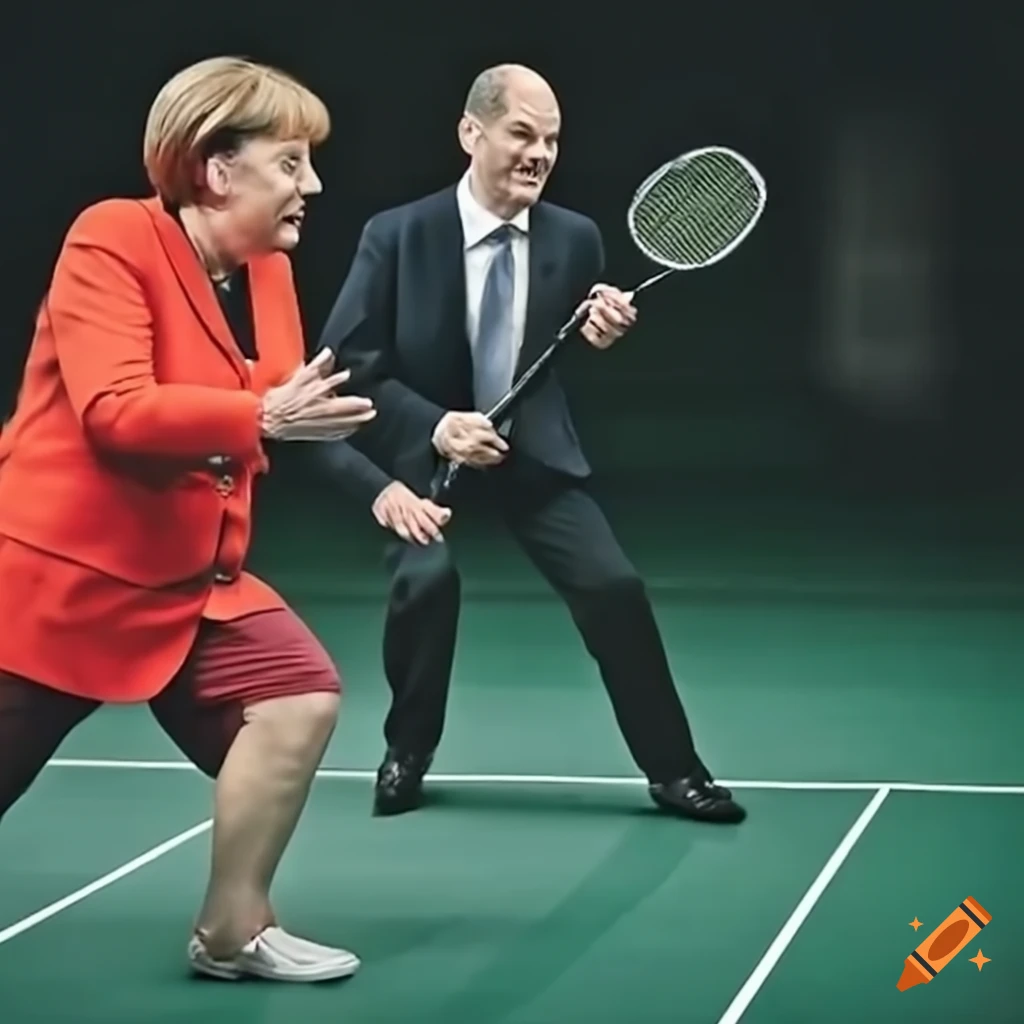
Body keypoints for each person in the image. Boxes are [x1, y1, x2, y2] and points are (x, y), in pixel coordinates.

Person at [0, 56, 376, 982]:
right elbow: (117, 410)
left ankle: (232, 931)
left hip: (188, 579)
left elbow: (277, 394)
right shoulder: (112, 236)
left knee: (297, 695)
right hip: (60, 581)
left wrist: (271, 411)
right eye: (290, 163)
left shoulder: (266, 271)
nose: (311, 185)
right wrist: (258, 414)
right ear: (217, 169)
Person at [317, 63, 746, 825]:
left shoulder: (575, 238)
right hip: (430, 458)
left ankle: (675, 771)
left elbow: (567, 336)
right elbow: (350, 371)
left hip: (529, 456)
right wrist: (436, 426)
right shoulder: (397, 236)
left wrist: (600, 328)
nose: (539, 153)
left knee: (615, 587)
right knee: (426, 584)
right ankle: (407, 751)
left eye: (551, 139)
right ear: (470, 133)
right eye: (522, 132)